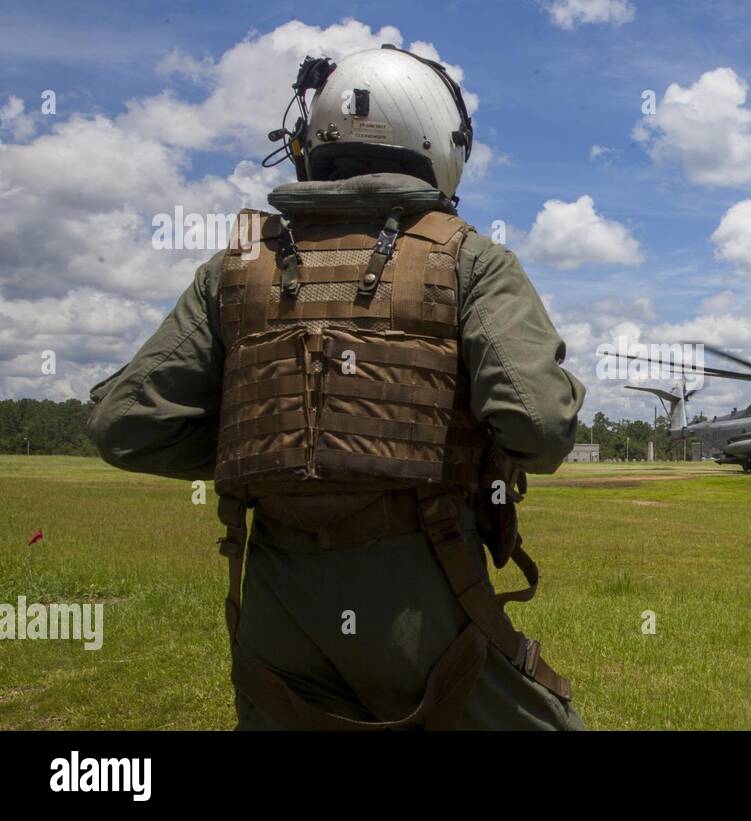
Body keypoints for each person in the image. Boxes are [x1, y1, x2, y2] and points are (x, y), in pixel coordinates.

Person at [87, 44, 586, 730]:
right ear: (438, 142)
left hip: (276, 606)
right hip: (423, 600)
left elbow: (124, 423)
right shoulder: (468, 258)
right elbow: (540, 425)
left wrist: (274, 442)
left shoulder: (238, 267)